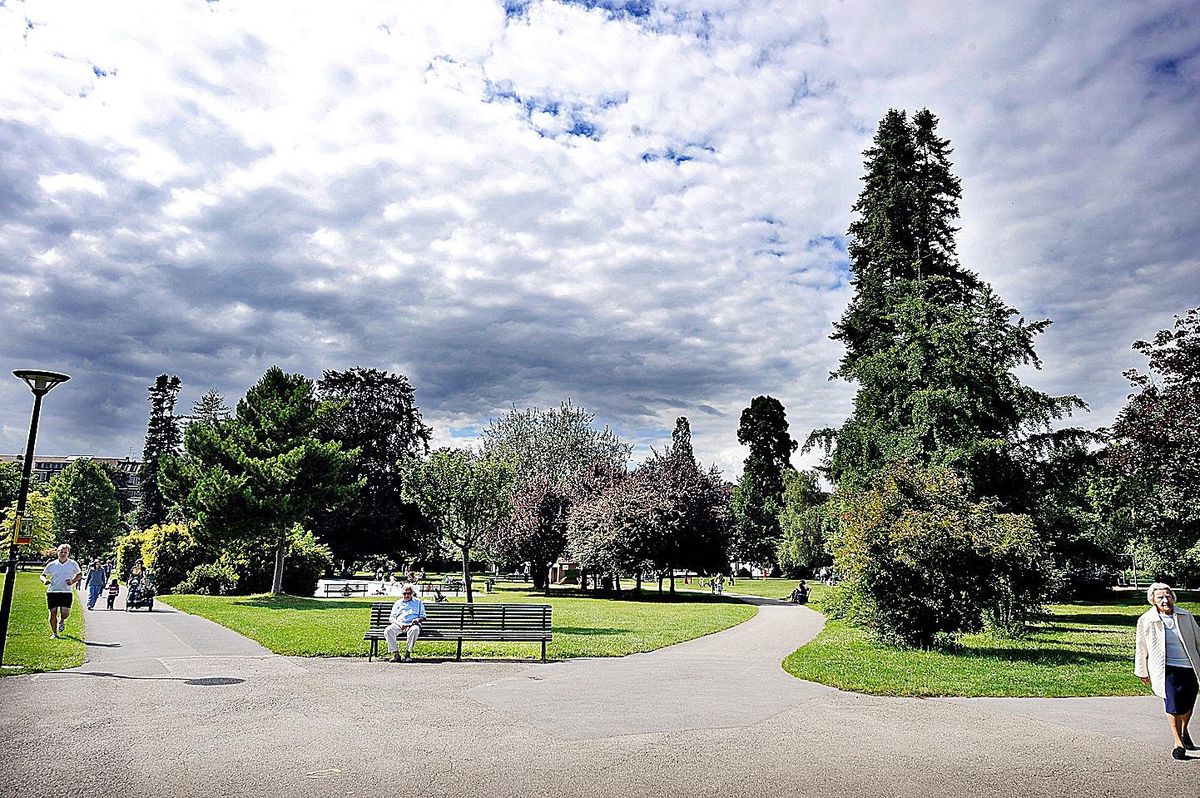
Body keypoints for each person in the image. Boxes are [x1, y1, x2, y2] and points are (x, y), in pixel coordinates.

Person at [1135, 582, 1200, 760]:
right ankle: (1178, 743)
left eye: (1168, 596)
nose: (1165, 600)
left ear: (1173, 597)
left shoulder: (1185, 616)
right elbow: (1141, 647)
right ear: (1153, 601)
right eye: (1160, 597)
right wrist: (1142, 670)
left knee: (1188, 705)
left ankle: (1184, 729)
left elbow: (1198, 640)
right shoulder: (1147, 620)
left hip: (1189, 666)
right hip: (1166, 668)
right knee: (1172, 704)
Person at [40, 544, 81, 638]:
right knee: (53, 612)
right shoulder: (52, 564)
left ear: (68, 553)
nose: (63, 554)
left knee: (65, 612)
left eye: (65, 552)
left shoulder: (73, 564)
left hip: (66, 592)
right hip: (53, 591)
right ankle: (54, 633)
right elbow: (43, 575)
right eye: (61, 552)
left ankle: (62, 620)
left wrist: (72, 581)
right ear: (57, 552)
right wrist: (45, 580)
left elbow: (79, 575)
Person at [385, 585, 427, 662]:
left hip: (412, 624)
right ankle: (396, 654)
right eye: (404, 593)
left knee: (415, 630)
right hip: (399, 624)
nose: (407, 595)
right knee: (388, 630)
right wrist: (400, 624)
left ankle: (408, 654)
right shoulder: (397, 603)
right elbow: (392, 618)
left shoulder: (418, 602)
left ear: (412, 593)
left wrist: (417, 620)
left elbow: (423, 616)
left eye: (409, 593)